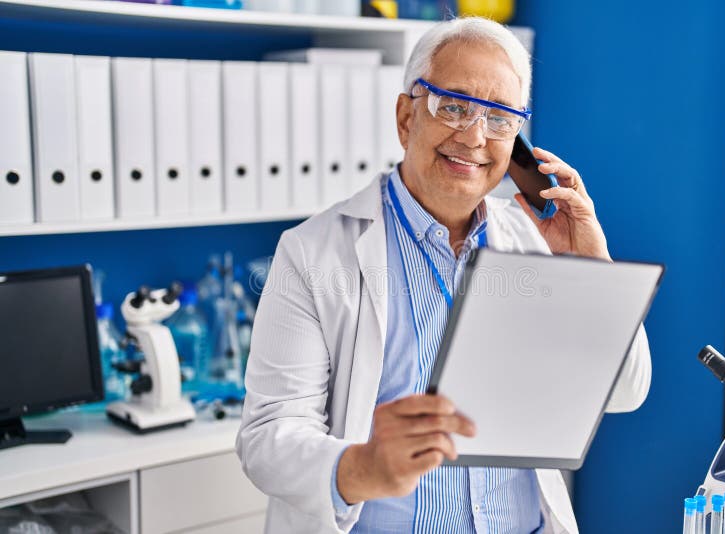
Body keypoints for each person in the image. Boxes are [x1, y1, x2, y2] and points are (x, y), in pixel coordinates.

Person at [237, 16, 651, 534]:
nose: (474, 136)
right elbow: (267, 438)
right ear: (407, 116)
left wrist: (591, 267)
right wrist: (364, 467)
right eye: (452, 106)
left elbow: (623, 392)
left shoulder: (533, 242)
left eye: (500, 118)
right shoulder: (311, 254)